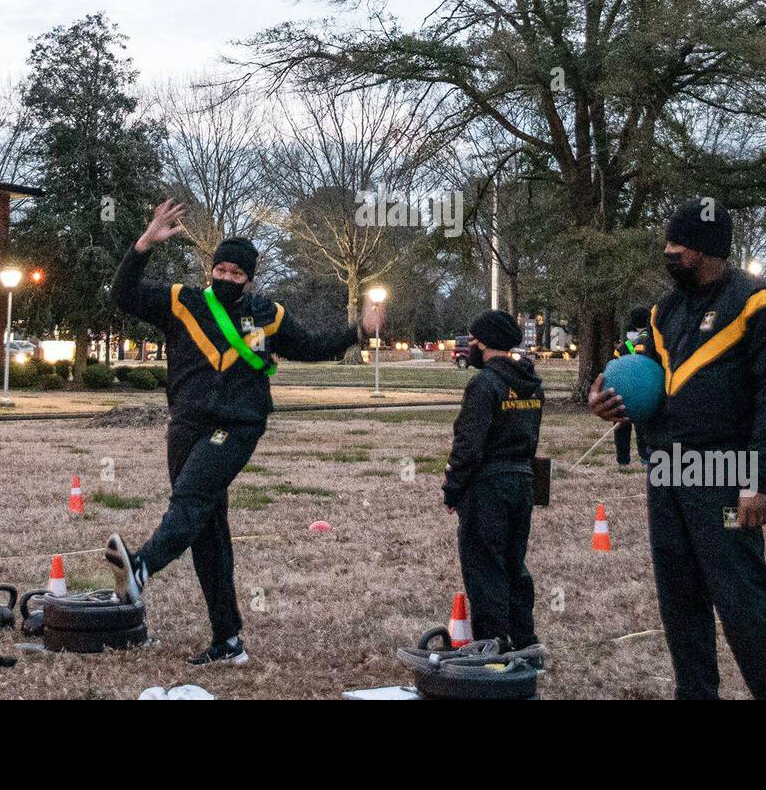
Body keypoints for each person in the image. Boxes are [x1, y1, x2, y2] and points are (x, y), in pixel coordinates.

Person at [104, 198, 381, 665]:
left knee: (189, 499)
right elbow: (122, 295)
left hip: (237, 426)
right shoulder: (182, 301)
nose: (228, 278)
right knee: (207, 530)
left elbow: (310, 346)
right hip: (186, 425)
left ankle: (142, 567)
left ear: (249, 279)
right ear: (211, 269)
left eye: (237, 274)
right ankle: (228, 640)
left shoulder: (267, 314)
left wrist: (357, 331)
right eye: (222, 270)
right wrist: (145, 243)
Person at [589, 197, 766, 700]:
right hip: (666, 470)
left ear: (707, 250)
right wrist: (611, 404)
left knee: (743, 602)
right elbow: (649, 385)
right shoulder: (665, 309)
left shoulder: (761, 306)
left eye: (677, 247)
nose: (667, 254)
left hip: (726, 474)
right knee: (680, 607)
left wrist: (758, 480)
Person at [443, 310, 544, 656]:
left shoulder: (484, 384)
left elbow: (469, 444)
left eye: (472, 339)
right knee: (514, 564)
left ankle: (492, 642)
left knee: (484, 565)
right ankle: (525, 639)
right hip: (523, 481)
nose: (469, 345)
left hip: (487, 486)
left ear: (484, 342)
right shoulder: (531, 382)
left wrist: (453, 487)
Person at [612, 305, 652, 467]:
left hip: (623, 390)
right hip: (644, 390)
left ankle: (622, 460)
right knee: (644, 427)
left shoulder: (623, 346)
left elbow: (614, 366)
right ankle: (645, 458)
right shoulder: (651, 341)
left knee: (621, 426)